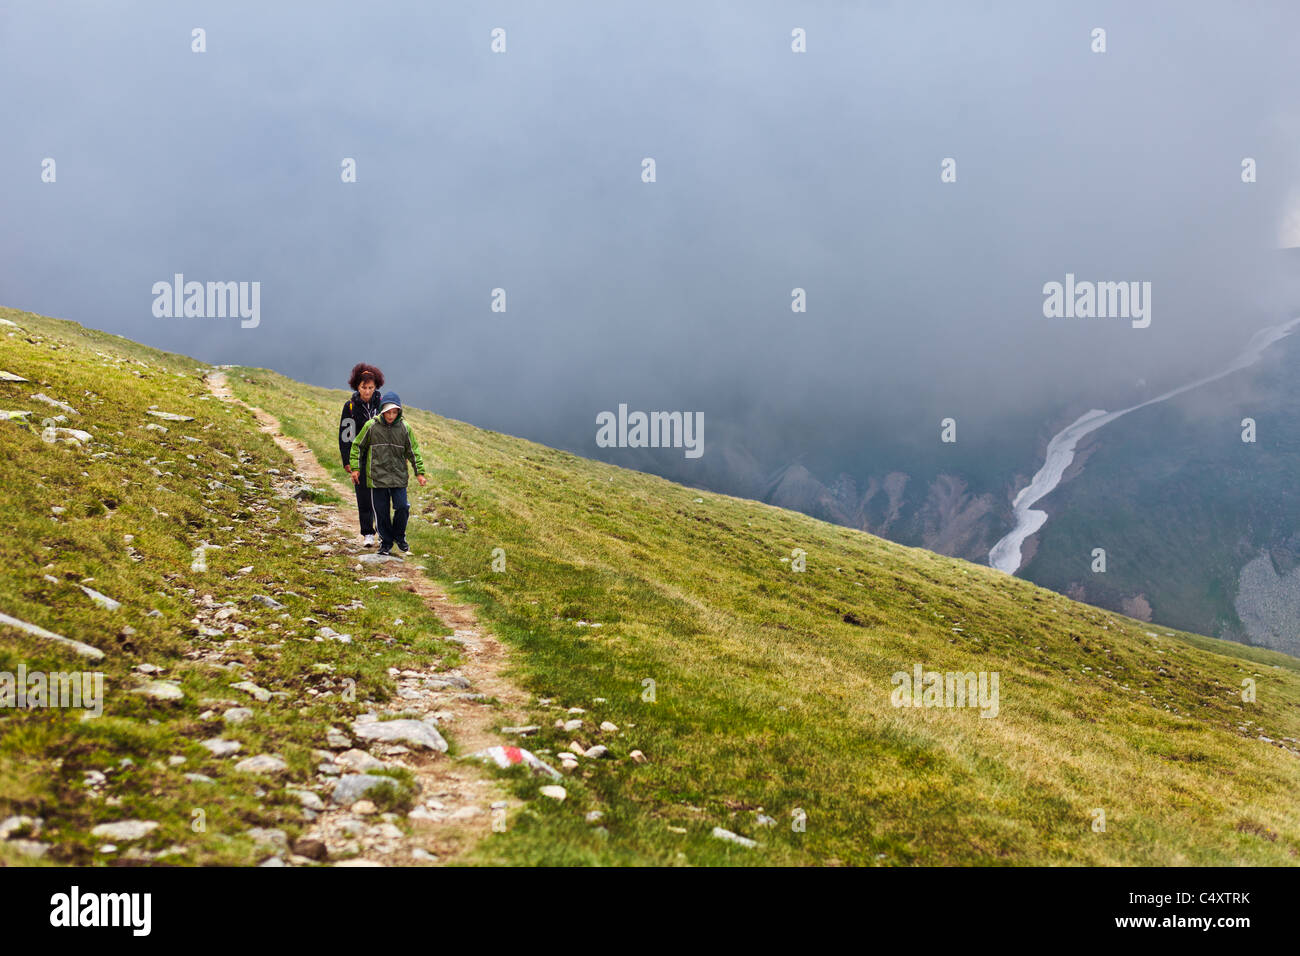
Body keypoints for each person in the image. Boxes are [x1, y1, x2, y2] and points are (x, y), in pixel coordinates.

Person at [349, 391, 427, 556]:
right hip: (377, 478)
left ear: (399, 411)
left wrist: (419, 473)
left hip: (398, 477)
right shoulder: (371, 426)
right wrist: (355, 468)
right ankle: (385, 543)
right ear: (382, 410)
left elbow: (413, 451)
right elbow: (357, 446)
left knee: (402, 507)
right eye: (388, 411)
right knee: (381, 512)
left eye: (394, 411)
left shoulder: (405, 428)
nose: (391, 415)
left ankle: (399, 536)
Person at [338, 363, 385, 547]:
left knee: (381, 495)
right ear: (357, 386)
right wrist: (348, 461)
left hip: (380, 456)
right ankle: (368, 533)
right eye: (364, 387)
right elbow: (345, 436)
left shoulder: (382, 404)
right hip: (360, 456)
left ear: (376, 387)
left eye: (371, 388)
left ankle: (383, 532)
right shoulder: (350, 407)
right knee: (363, 495)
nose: (367, 391)